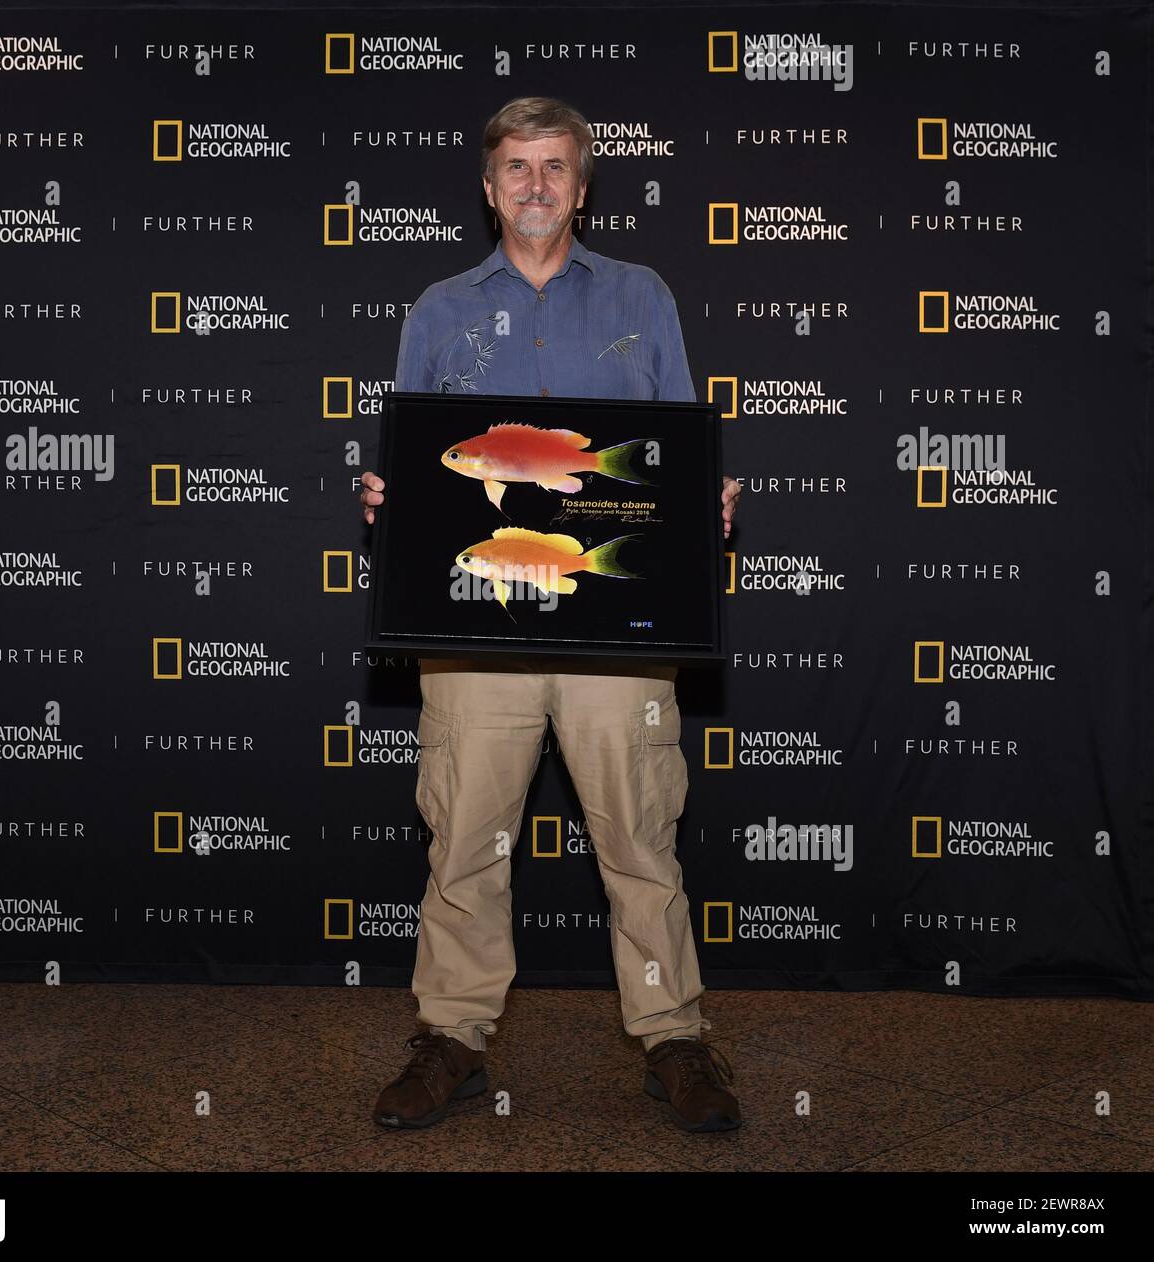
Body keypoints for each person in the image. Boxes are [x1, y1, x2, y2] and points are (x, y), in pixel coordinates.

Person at [358, 97, 742, 1134]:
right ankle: (451, 1035)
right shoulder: (436, 308)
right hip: (473, 626)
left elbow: (670, 445)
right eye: (516, 168)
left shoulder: (641, 293)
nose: (535, 185)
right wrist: (387, 502)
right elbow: (411, 460)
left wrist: (704, 494)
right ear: (489, 190)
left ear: (582, 185)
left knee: (638, 837)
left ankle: (672, 1036)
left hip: (615, 627)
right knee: (466, 839)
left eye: (554, 167)